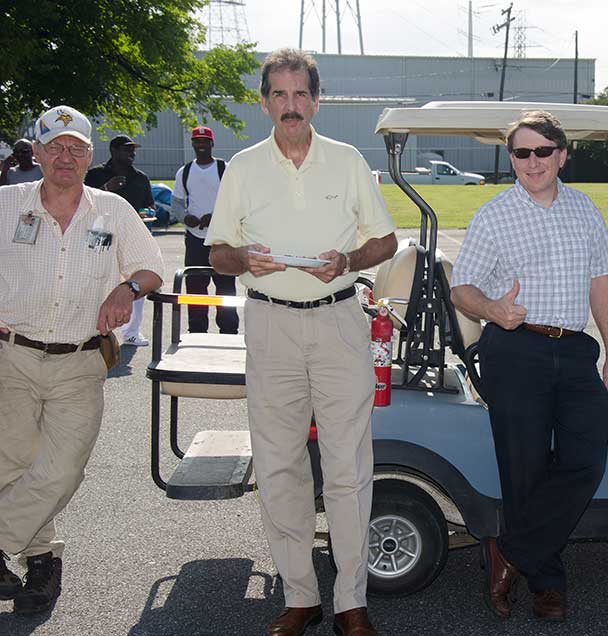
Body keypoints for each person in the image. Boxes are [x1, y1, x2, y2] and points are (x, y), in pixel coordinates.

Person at [206, 48, 397, 636]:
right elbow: (216, 253)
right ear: (264, 102)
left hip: (340, 320)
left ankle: (351, 602)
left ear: (316, 100)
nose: (291, 107)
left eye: (300, 95)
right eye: (279, 95)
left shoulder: (348, 163)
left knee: (348, 468)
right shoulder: (241, 167)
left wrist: (349, 258)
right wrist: (241, 259)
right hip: (269, 324)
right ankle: (300, 596)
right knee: (280, 464)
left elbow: (385, 243)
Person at [450, 110, 608, 623]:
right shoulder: (494, 215)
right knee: (524, 471)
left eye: (543, 151)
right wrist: (491, 309)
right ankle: (548, 583)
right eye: (522, 153)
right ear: (512, 159)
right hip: (514, 347)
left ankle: (511, 552)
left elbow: (602, 283)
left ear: (562, 155)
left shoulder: (585, 210)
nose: (532, 162)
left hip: (574, 349)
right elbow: (463, 287)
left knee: (586, 459)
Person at [0, 105, 163, 614]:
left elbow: (152, 269)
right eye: (54, 147)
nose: (64, 157)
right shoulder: (6, 203)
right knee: (14, 462)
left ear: (89, 155)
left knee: (63, 467)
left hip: (80, 360)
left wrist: (126, 287)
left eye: (75, 148)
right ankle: (43, 561)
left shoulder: (111, 211)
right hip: (13, 355)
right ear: (39, 153)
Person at [84, 135, 156, 347]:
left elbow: (149, 204)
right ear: (114, 151)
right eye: (126, 150)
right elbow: (82, 201)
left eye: (133, 150)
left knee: (136, 279)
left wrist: (148, 211)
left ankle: (131, 332)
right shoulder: (96, 174)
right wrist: (107, 188)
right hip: (100, 233)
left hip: (132, 234)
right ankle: (92, 326)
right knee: (97, 276)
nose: (131, 154)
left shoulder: (140, 177)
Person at [171, 125, 238, 334]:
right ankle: (197, 330)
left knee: (225, 286)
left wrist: (216, 217)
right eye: (197, 141)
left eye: (205, 142)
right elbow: (177, 203)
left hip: (222, 237)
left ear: (212, 144)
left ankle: (228, 330)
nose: (201, 145)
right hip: (195, 238)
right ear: (192, 144)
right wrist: (185, 217)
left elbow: (236, 202)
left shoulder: (224, 169)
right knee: (195, 286)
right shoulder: (185, 171)